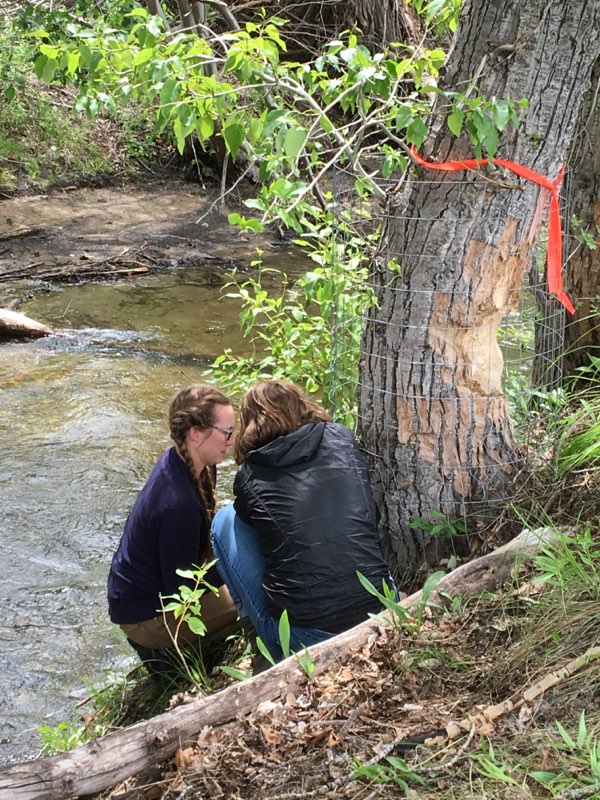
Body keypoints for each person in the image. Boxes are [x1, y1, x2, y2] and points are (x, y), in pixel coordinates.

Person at [211, 379, 392, 662]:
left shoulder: (250, 475)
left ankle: (257, 632)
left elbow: (251, 526)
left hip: (307, 635)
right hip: (381, 604)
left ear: (250, 424)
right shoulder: (341, 438)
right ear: (301, 405)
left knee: (224, 519)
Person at [107, 384, 239, 666]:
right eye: (227, 433)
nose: (232, 441)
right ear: (195, 433)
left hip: (149, 596)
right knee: (252, 594)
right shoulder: (179, 505)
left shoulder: (189, 462)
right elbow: (180, 590)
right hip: (145, 617)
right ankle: (169, 657)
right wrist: (235, 570)